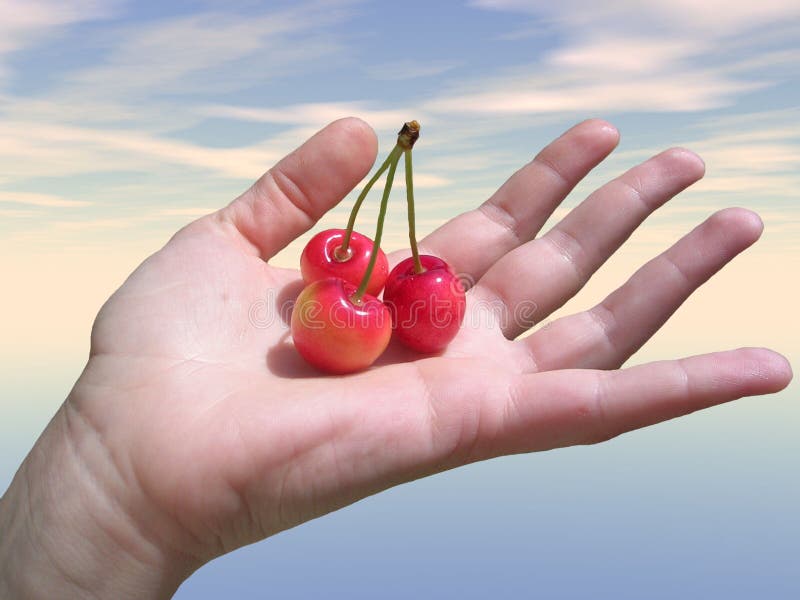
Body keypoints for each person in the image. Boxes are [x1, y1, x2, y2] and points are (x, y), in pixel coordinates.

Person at [0, 118, 791, 598]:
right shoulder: (332, 285)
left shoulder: (396, 293)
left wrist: (115, 510)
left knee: (411, 268)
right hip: (358, 303)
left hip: (387, 297)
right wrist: (109, 491)